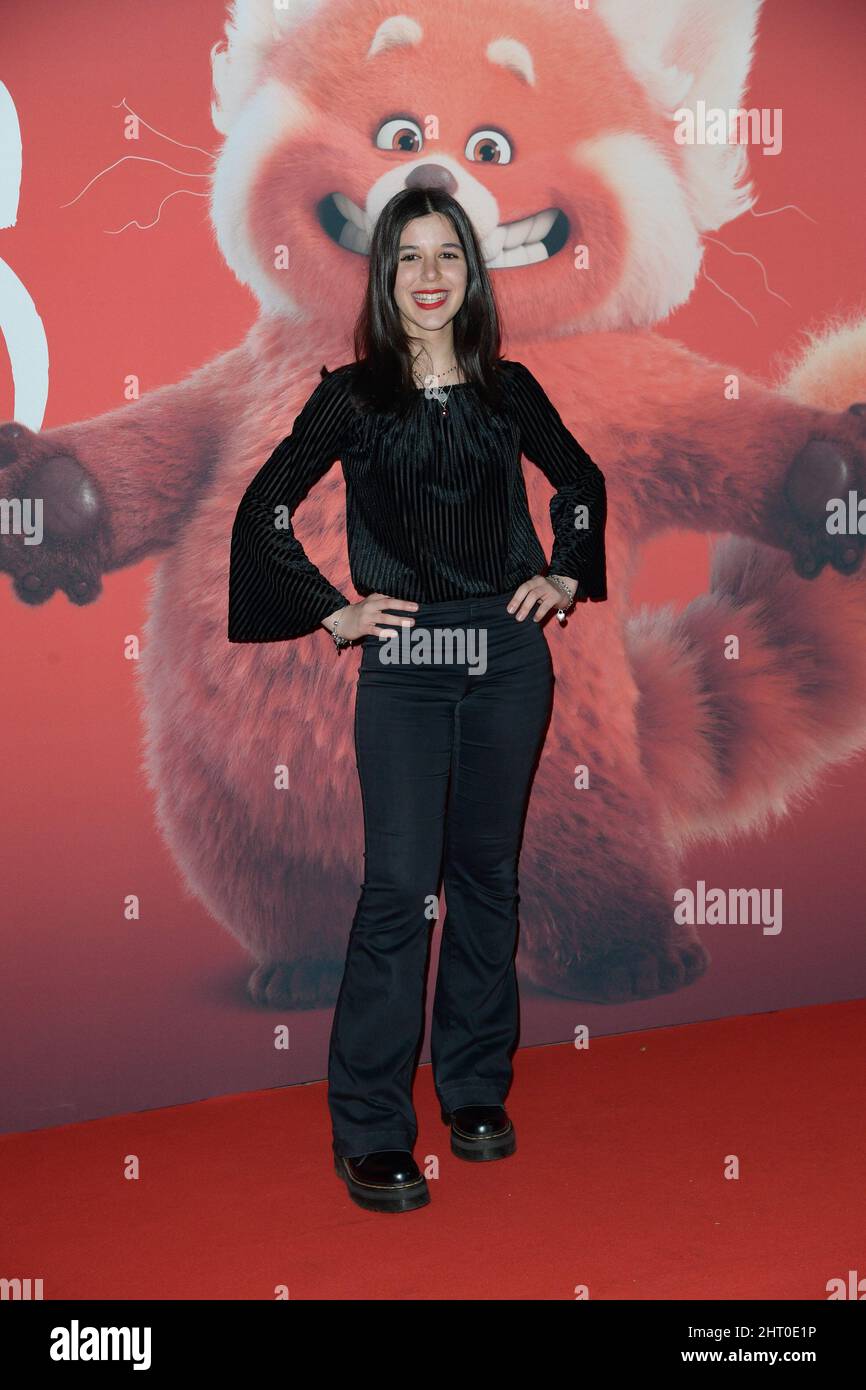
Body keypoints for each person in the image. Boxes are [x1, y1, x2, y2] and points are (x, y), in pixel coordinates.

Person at [228, 187, 607, 1214]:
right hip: (403, 667)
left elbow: (577, 483)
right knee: (397, 891)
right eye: (408, 259)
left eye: (447, 256)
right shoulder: (349, 398)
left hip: (505, 657)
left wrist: (567, 568)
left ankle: (476, 1088)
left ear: (470, 276)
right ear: (384, 279)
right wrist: (330, 610)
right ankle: (370, 1126)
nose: (430, 276)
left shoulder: (508, 389)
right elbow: (263, 510)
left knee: (486, 875)